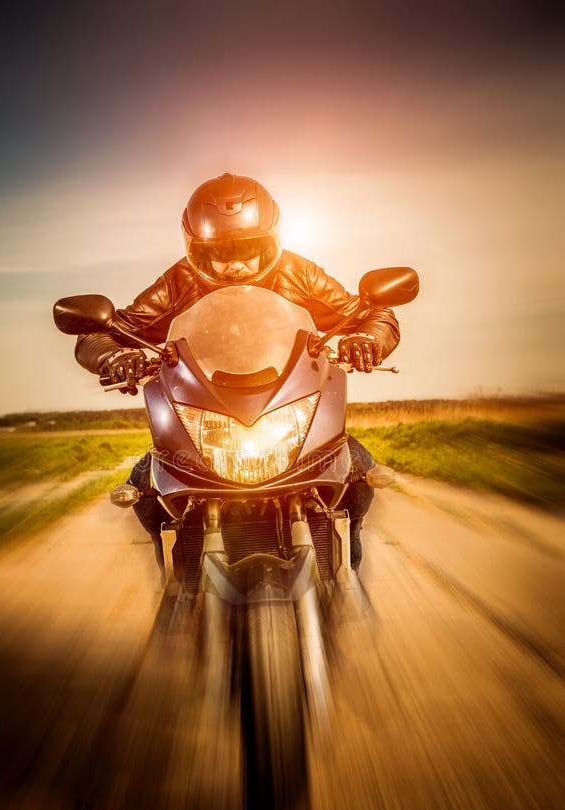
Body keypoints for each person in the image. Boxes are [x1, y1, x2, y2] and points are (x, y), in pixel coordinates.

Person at [74, 173, 401, 572]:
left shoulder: (300, 273)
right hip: (205, 410)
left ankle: (347, 561)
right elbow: (109, 329)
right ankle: (176, 576)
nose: (234, 264)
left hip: (287, 403)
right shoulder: (179, 282)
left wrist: (368, 340)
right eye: (219, 252)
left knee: (356, 469)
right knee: (145, 485)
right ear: (196, 249)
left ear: (271, 243)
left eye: (248, 249)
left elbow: (369, 313)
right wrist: (112, 357)